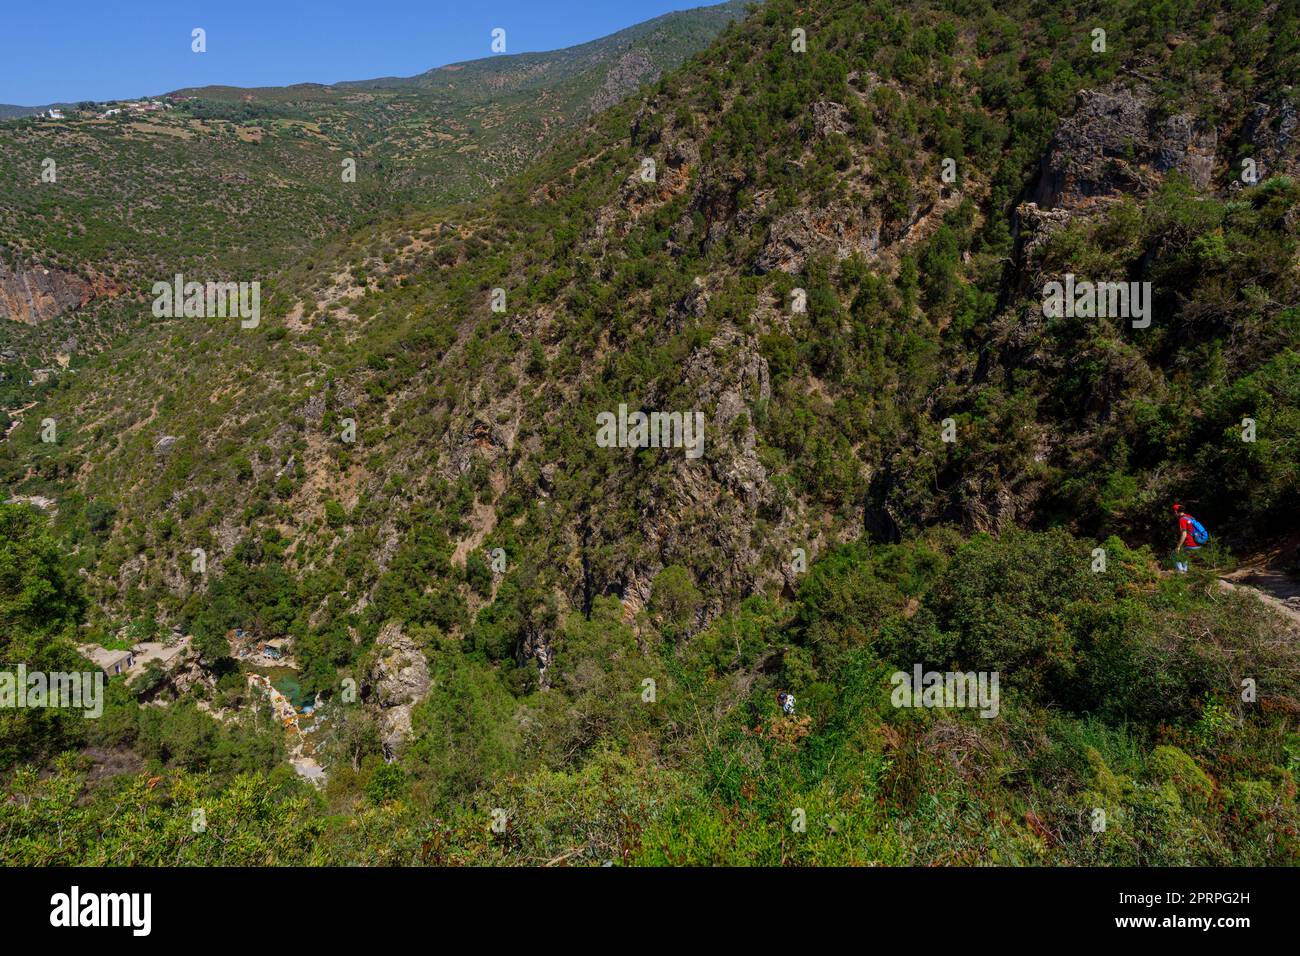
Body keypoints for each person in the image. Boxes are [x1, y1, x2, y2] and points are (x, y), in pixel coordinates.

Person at [1172, 503, 1206, 573]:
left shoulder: (1182, 520)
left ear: (1175, 512)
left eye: (1173, 512)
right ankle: (1185, 570)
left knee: (1175, 554)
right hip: (1198, 542)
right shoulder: (1189, 517)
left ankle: (1181, 572)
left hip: (1190, 545)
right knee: (1184, 554)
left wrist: (1178, 546)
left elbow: (1184, 534)